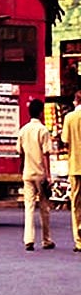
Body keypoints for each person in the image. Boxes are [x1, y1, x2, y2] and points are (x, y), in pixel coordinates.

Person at [17, 99, 54, 252]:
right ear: (40, 113)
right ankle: (46, 239)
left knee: (29, 207)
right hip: (40, 174)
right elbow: (46, 154)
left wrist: (22, 168)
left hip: (28, 173)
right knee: (44, 208)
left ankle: (29, 239)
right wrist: (49, 175)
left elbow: (20, 153)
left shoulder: (23, 130)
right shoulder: (43, 130)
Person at [59, 90, 81, 253]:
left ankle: (79, 241)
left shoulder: (70, 118)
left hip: (75, 165)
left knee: (76, 204)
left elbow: (65, 140)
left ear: (76, 101)